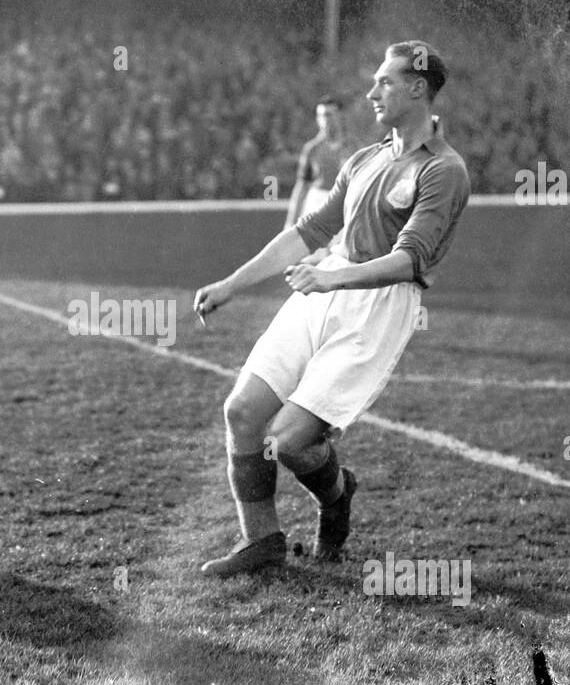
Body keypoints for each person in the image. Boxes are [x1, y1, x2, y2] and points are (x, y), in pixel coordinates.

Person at [192, 41, 470, 577]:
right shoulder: (364, 159)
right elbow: (309, 231)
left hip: (376, 307)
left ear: (417, 88)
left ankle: (337, 495)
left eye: (384, 82)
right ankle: (263, 541)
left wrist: (330, 277)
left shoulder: (444, 170)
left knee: (289, 441)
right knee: (243, 412)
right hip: (327, 284)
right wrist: (233, 283)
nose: (372, 93)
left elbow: (408, 262)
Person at [282, 95, 351, 263]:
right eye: (320, 115)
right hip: (317, 202)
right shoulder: (311, 149)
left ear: (340, 116)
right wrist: (291, 221)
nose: (324, 120)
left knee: (339, 259)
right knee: (313, 258)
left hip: (342, 203)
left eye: (329, 114)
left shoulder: (353, 146)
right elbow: (302, 185)